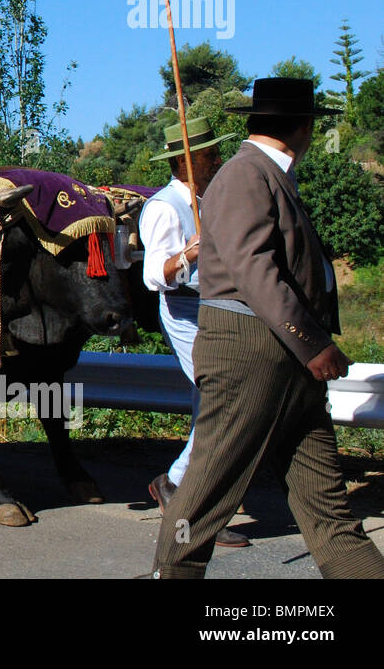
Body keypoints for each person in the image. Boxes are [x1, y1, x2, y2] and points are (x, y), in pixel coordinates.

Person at [152, 78, 384, 578]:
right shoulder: (244, 174)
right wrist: (311, 341)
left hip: (286, 358)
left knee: (329, 511)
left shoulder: (268, 174)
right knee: (203, 498)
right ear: (302, 127)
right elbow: (251, 266)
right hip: (250, 349)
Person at [139, 119, 249, 548]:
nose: (218, 159)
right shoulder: (166, 207)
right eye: (208, 154)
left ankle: (186, 490)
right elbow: (155, 276)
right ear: (186, 161)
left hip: (219, 306)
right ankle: (185, 492)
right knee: (223, 400)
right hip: (186, 311)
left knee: (216, 400)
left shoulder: (208, 199)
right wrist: (194, 248)